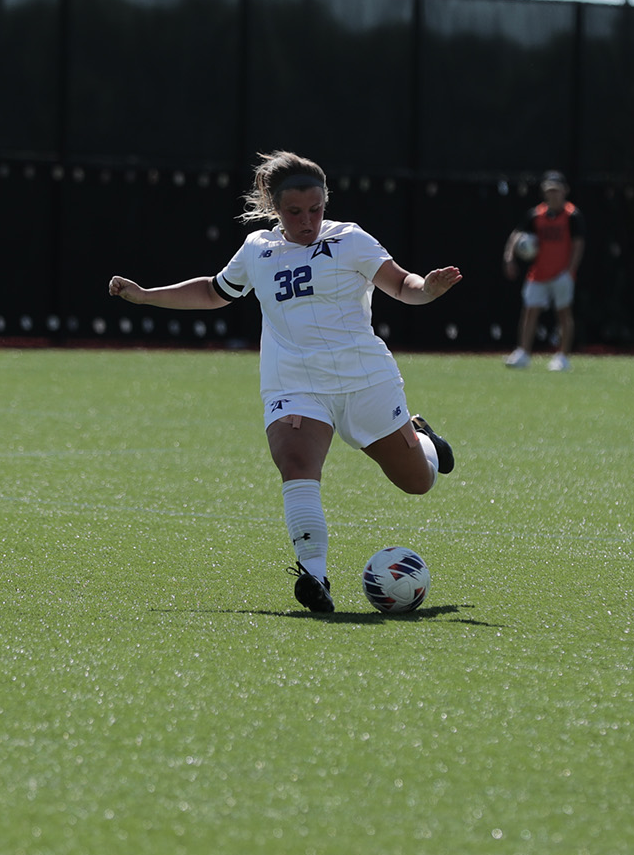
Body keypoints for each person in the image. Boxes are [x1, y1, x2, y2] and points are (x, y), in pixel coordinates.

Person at [108, 150, 462, 614]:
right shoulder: (258, 249)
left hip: (364, 380)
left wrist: (426, 289)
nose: (307, 221)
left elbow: (400, 284)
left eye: (316, 209)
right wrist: (146, 296)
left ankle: (425, 440)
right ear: (274, 208)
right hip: (295, 384)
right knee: (296, 464)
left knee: (417, 482)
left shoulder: (350, 239)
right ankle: (314, 575)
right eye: (294, 212)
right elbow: (214, 291)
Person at [502, 170, 584, 371]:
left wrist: (570, 271)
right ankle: (523, 353)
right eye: (549, 190)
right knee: (530, 311)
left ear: (565, 191)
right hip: (538, 273)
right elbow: (517, 234)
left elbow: (578, 245)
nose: (553, 194)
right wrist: (509, 257)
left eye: (556, 190)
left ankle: (562, 356)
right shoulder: (535, 215)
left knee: (563, 314)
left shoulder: (572, 215)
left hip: (561, 274)